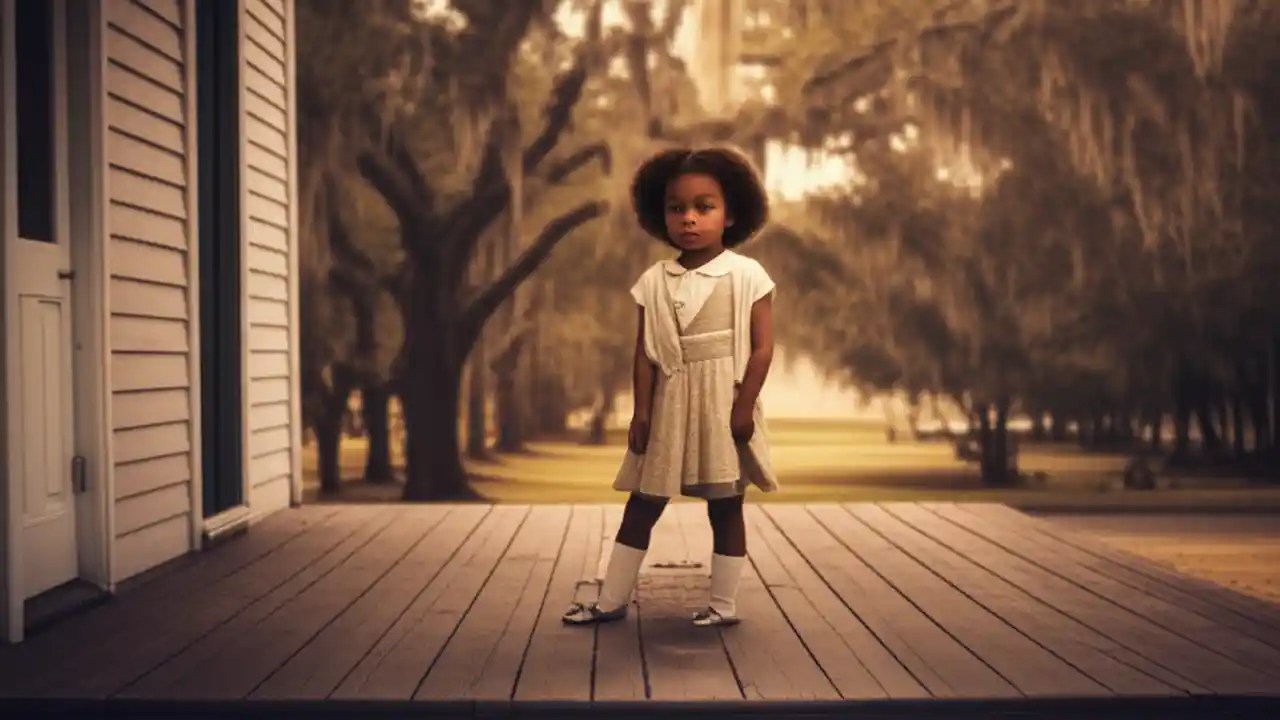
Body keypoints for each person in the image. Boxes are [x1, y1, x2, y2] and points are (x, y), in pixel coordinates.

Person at [562, 146, 779, 628]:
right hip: (670, 401)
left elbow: (762, 348)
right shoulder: (655, 281)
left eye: (705, 207)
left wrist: (743, 406)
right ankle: (611, 600)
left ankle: (723, 606)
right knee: (643, 503)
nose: (689, 219)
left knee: (725, 506)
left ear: (731, 213)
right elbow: (645, 353)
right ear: (660, 215)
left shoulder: (747, 275)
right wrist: (642, 412)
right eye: (676, 208)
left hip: (722, 401)